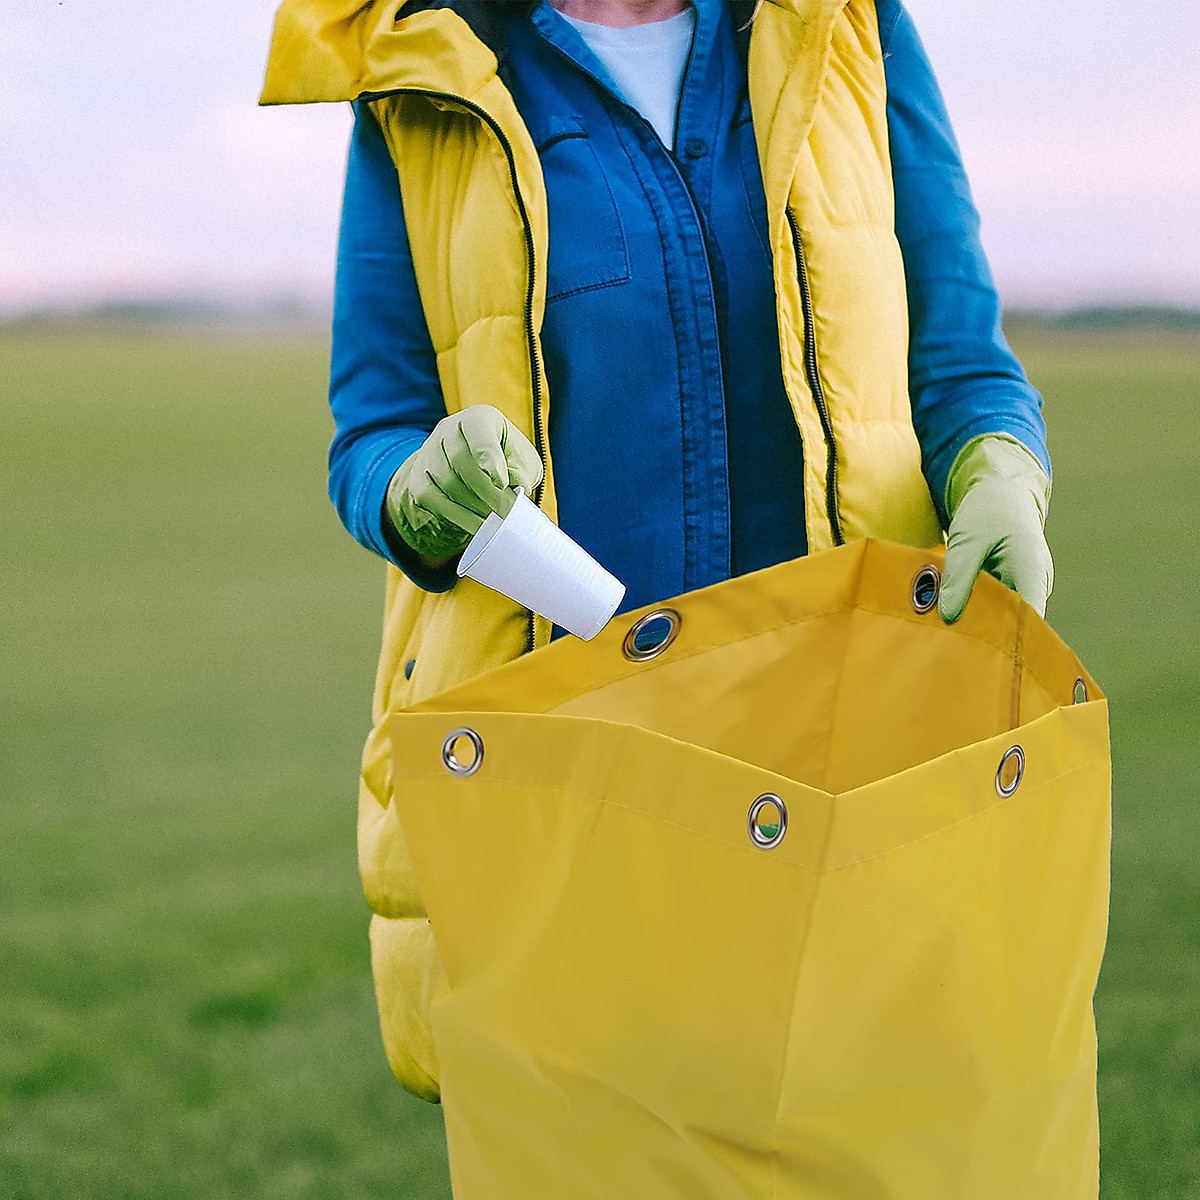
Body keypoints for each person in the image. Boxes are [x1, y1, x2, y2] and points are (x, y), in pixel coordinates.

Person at [261, 0, 1054, 1102]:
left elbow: (962, 362)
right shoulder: (414, 67)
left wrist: (999, 468)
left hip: (847, 759)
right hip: (573, 785)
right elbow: (372, 427)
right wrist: (418, 486)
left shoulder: (850, 26)